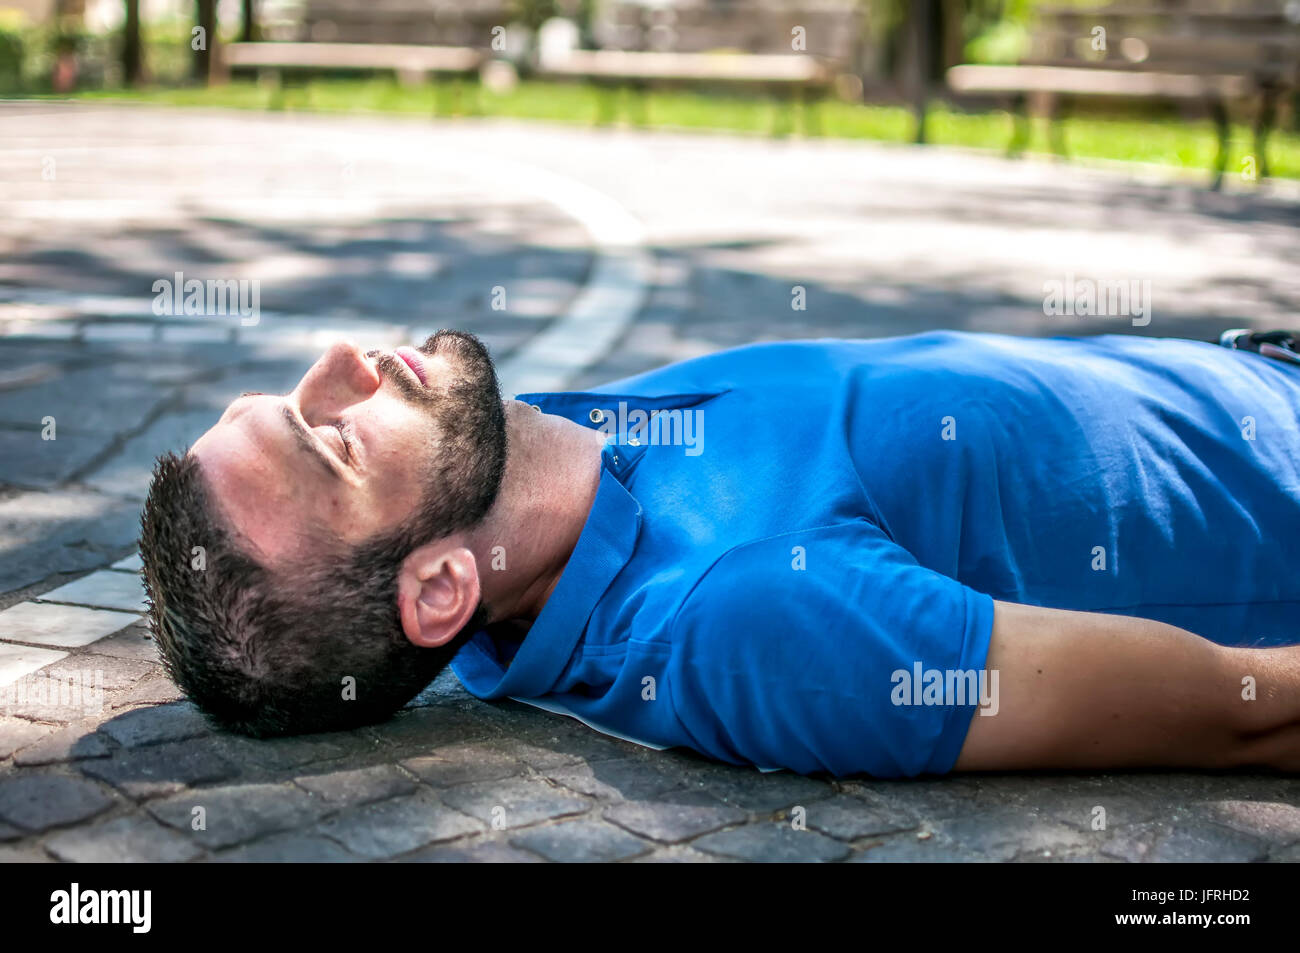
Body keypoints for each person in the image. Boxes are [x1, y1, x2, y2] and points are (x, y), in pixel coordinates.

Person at [139, 329, 1300, 778]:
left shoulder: (523, 447)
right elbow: (1253, 711)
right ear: (441, 585)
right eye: (335, 438)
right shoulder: (738, 621)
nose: (347, 359)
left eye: (292, 386)